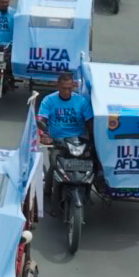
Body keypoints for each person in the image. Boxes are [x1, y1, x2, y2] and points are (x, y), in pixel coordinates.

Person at [35, 71, 94, 212]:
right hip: (58, 141)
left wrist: (94, 138)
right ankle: (49, 193)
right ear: (57, 86)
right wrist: (44, 135)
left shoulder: (81, 101)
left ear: (74, 86)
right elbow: (41, 120)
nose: (67, 91)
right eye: (64, 88)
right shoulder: (49, 100)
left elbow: (90, 122)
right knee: (56, 165)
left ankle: (87, 192)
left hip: (79, 142)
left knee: (91, 165)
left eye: (70, 88)